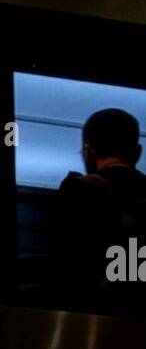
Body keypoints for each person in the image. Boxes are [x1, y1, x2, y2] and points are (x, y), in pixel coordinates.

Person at [50, 107, 146, 314]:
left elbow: (65, 268)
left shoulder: (79, 190)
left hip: (95, 317)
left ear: (88, 151)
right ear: (138, 152)